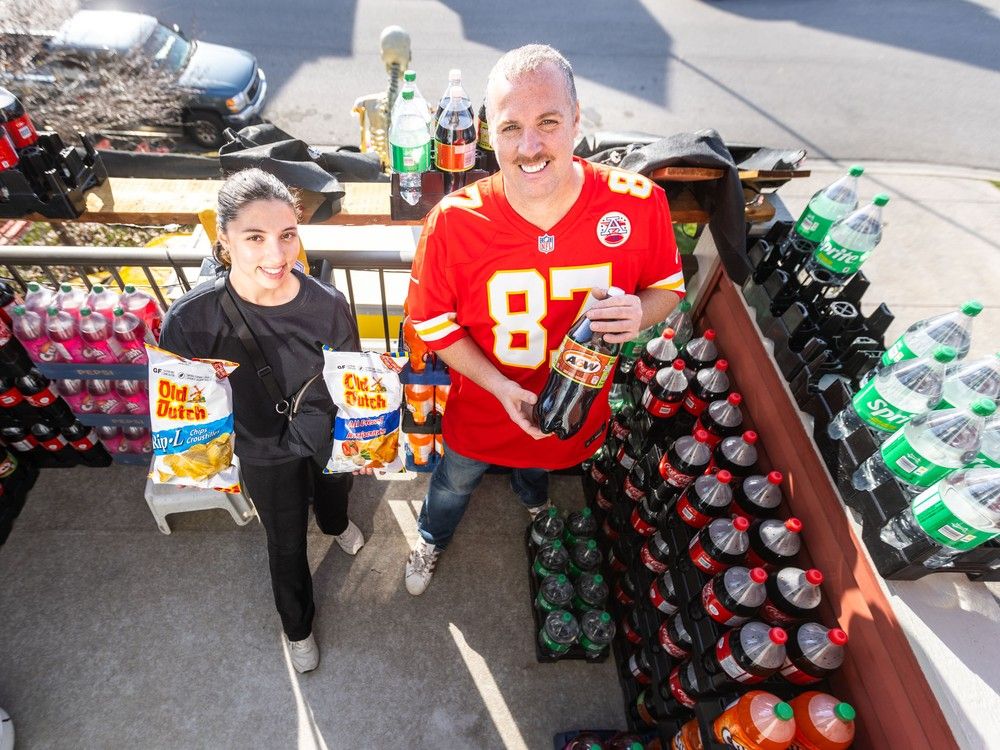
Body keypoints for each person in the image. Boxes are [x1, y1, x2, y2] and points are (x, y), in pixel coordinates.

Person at [403, 45, 685, 595]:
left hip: (576, 407)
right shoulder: (453, 224)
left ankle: (534, 504)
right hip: (485, 405)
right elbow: (432, 323)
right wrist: (500, 386)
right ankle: (431, 536)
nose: (529, 147)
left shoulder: (638, 203)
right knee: (453, 482)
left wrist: (639, 314)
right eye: (511, 128)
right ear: (489, 133)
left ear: (577, 121)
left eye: (548, 123)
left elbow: (667, 289)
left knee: (541, 474)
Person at [158, 168, 364, 673]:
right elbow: (186, 407)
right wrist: (204, 460)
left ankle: (336, 523)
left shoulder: (328, 304)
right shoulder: (190, 321)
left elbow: (352, 376)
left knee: (336, 495)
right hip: (259, 449)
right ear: (224, 239)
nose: (276, 255)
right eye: (255, 237)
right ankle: (297, 627)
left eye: (287, 235)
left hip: (322, 433)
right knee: (285, 540)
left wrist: (366, 431)